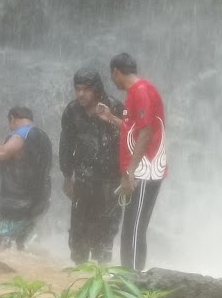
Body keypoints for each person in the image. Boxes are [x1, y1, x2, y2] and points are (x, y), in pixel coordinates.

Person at [94, 52, 167, 272]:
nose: (113, 81)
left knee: (134, 229)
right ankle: (130, 278)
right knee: (130, 229)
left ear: (116, 72)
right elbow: (133, 129)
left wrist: (130, 171)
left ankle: (133, 282)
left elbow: (145, 132)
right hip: (140, 171)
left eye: (112, 76)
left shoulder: (142, 91)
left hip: (145, 170)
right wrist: (111, 118)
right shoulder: (134, 93)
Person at [59, 67, 124, 263]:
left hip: (110, 180)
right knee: (78, 231)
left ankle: (101, 278)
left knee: (105, 232)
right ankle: (78, 277)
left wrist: (126, 175)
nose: (81, 94)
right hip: (83, 179)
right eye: (77, 89)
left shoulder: (114, 106)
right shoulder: (71, 111)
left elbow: (129, 138)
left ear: (96, 89)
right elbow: (66, 144)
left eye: (86, 89)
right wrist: (67, 175)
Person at [0, 106, 53, 251]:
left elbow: (2, 152)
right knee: (19, 246)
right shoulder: (44, 136)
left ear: (13, 119)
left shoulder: (21, 134)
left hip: (18, 205)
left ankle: (1, 274)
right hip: (38, 203)